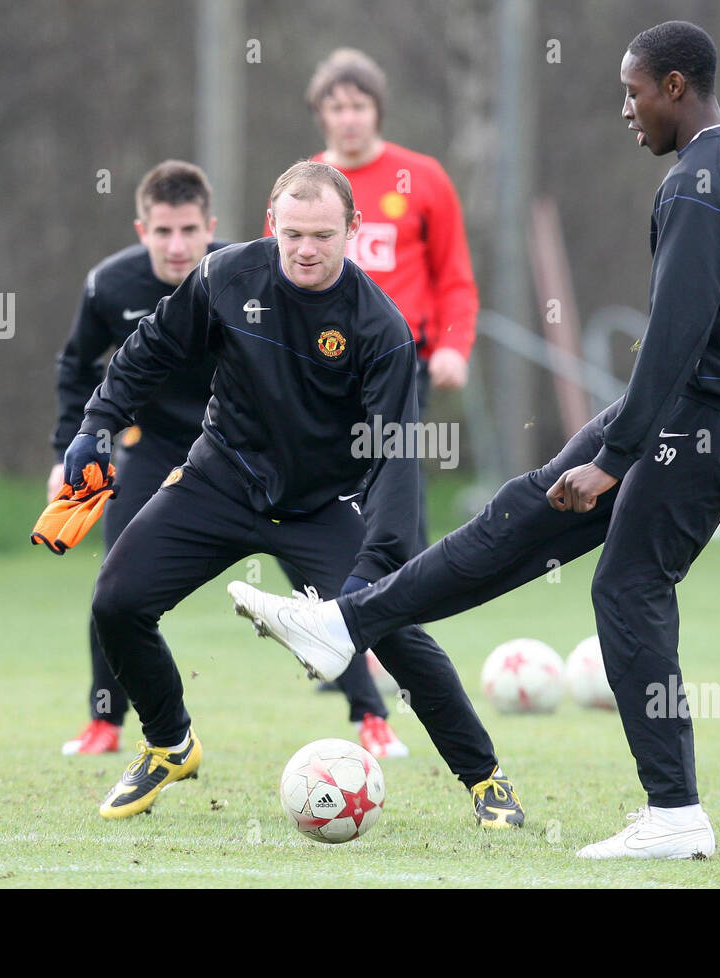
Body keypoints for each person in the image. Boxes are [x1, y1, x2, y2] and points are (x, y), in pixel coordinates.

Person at [229, 21, 720, 860]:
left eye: (634, 92)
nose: (626, 110)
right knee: (523, 514)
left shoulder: (697, 187)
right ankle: (346, 625)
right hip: (711, 408)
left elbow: (675, 336)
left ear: (676, 86)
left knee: (630, 586)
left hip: (709, 417)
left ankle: (674, 813)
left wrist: (615, 459)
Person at [61, 161, 524, 825]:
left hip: (321, 506)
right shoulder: (225, 278)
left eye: (323, 235)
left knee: (395, 632)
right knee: (116, 600)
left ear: (354, 231)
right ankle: (170, 743)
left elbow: (395, 455)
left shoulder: (380, 328)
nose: (306, 249)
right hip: (217, 481)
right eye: (293, 233)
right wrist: (96, 428)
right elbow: (150, 349)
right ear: (271, 226)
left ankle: (485, 781)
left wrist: (373, 570)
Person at [48, 160, 407, 760]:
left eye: (189, 230)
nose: (177, 244)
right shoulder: (109, 285)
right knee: (117, 580)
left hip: (255, 448)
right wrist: (76, 444)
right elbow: (79, 367)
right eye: (163, 232)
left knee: (334, 594)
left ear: (210, 226)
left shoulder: (244, 271)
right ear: (142, 231)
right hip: (160, 447)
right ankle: (105, 721)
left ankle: (369, 712)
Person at [283, 48, 480, 553]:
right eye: (337, 107)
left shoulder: (423, 177)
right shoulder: (302, 188)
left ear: (377, 111)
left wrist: (454, 346)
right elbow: (279, 279)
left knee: (395, 474)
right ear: (320, 114)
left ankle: (405, 602)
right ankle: (335, 598)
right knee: (323, 478)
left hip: (399, 359)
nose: (348, 118)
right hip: (319, 360)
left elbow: (454, 275)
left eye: (359, 106)